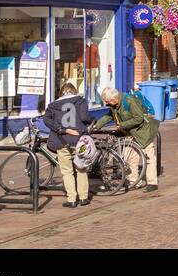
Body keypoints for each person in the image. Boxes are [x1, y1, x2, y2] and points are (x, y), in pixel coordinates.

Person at [91, 86, 161, 192]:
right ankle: (134, 181)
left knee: (149, 157)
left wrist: (122, 125)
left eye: (107, 101)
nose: (106, 103)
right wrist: (96, 126)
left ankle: (152, 182)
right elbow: (109, 116)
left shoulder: (129, 100)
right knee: (130, 158)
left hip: (143, 132)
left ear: (114, 99)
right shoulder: (113, 105)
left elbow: (139, 118)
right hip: (130, 132)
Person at [44, 80, 90, 208]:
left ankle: (72, 199)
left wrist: (61, 129)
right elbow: (85, 118)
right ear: (74, 91)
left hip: (61, 140)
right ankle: (84, 197)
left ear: (61, 92)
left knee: (67, 171)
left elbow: (46, 120)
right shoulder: (81, 101)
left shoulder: (53, 105)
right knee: (81, 168)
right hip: (79, 140)